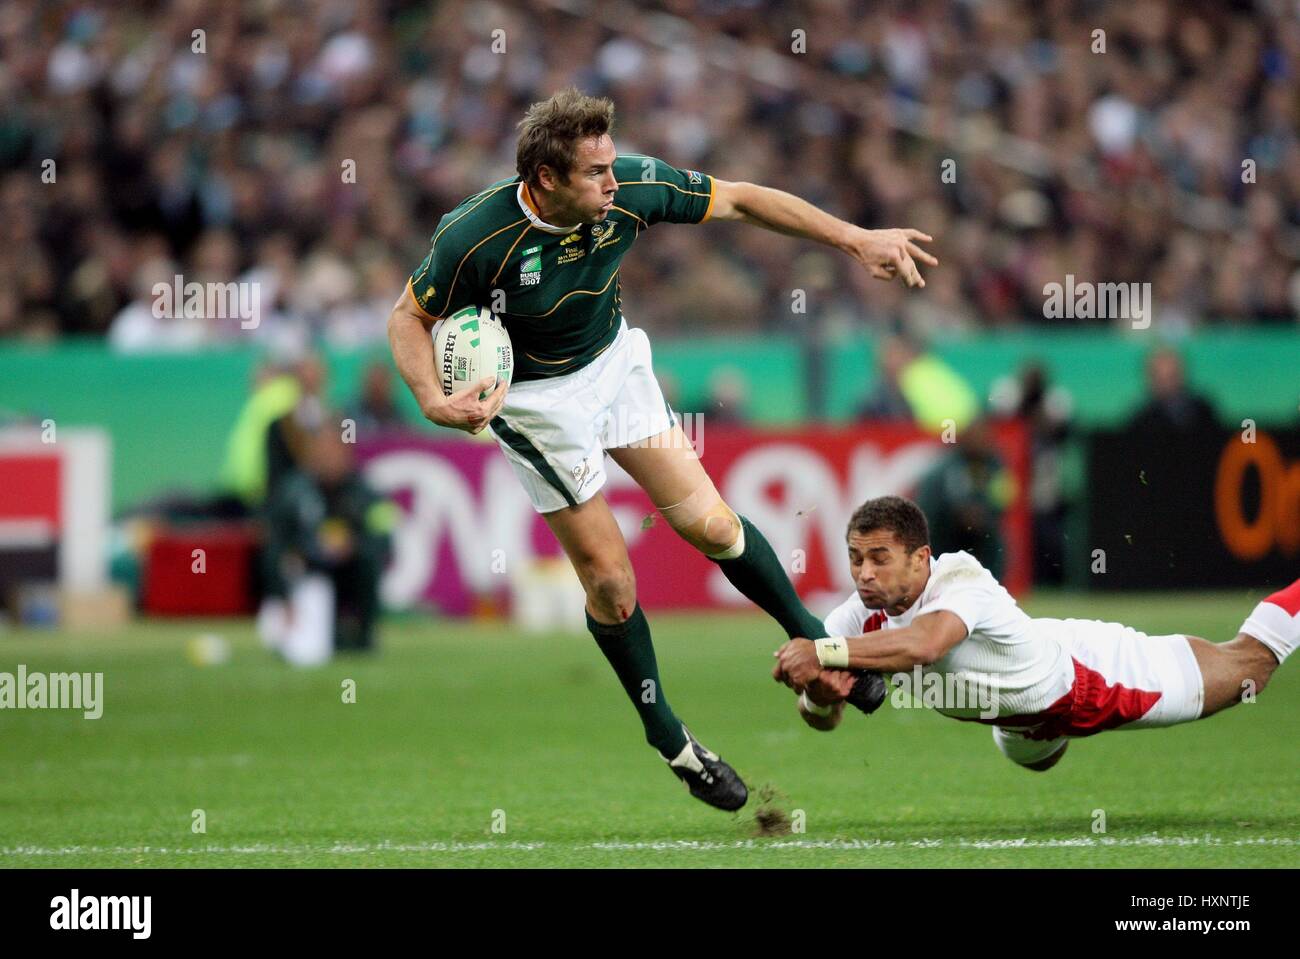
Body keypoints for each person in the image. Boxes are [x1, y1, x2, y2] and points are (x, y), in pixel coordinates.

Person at [387, 88, 938, 810]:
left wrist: (855, 238)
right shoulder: (475, 237)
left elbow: (740, 200)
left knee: (711, 524)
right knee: (613, 584)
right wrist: (433, 398)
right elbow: (408, 316)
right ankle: (670, 738)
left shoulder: (634, 188)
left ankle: (818, 644)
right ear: (546, 180)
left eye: (612, 165)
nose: (613, 183)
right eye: (595, 173)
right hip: (535, 405)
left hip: (615, 365)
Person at [772, 496, 1292, 772]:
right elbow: (824, 718)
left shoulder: (959, 578)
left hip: (1087, 678)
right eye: (856, 559)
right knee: (1035, 763)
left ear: (920, 558)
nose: (864, 574)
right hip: (1016, 720)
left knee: (1250, 667)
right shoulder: (852, 617)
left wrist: (821, 651)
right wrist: (819, 693)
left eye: (879, 559)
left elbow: (926, 644)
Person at [259, 428, 396, 665]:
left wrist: (355, 546)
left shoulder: (365, 492)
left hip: (348, 573)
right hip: (307, 577)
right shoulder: (293, 492)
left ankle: (363, 631)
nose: (329, 457)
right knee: (303, 648)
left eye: (335, 450)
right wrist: (283, 595)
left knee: (367, 564)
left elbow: (385, 537)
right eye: (322, 450)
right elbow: (274, 548)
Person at [1127, 347, 1219, 434]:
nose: (1166, 385)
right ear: (1150, 378)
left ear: (1181, 375)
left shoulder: (1203, 411)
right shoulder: (1142, 418)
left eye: (1171, 377)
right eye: (1160, 378)